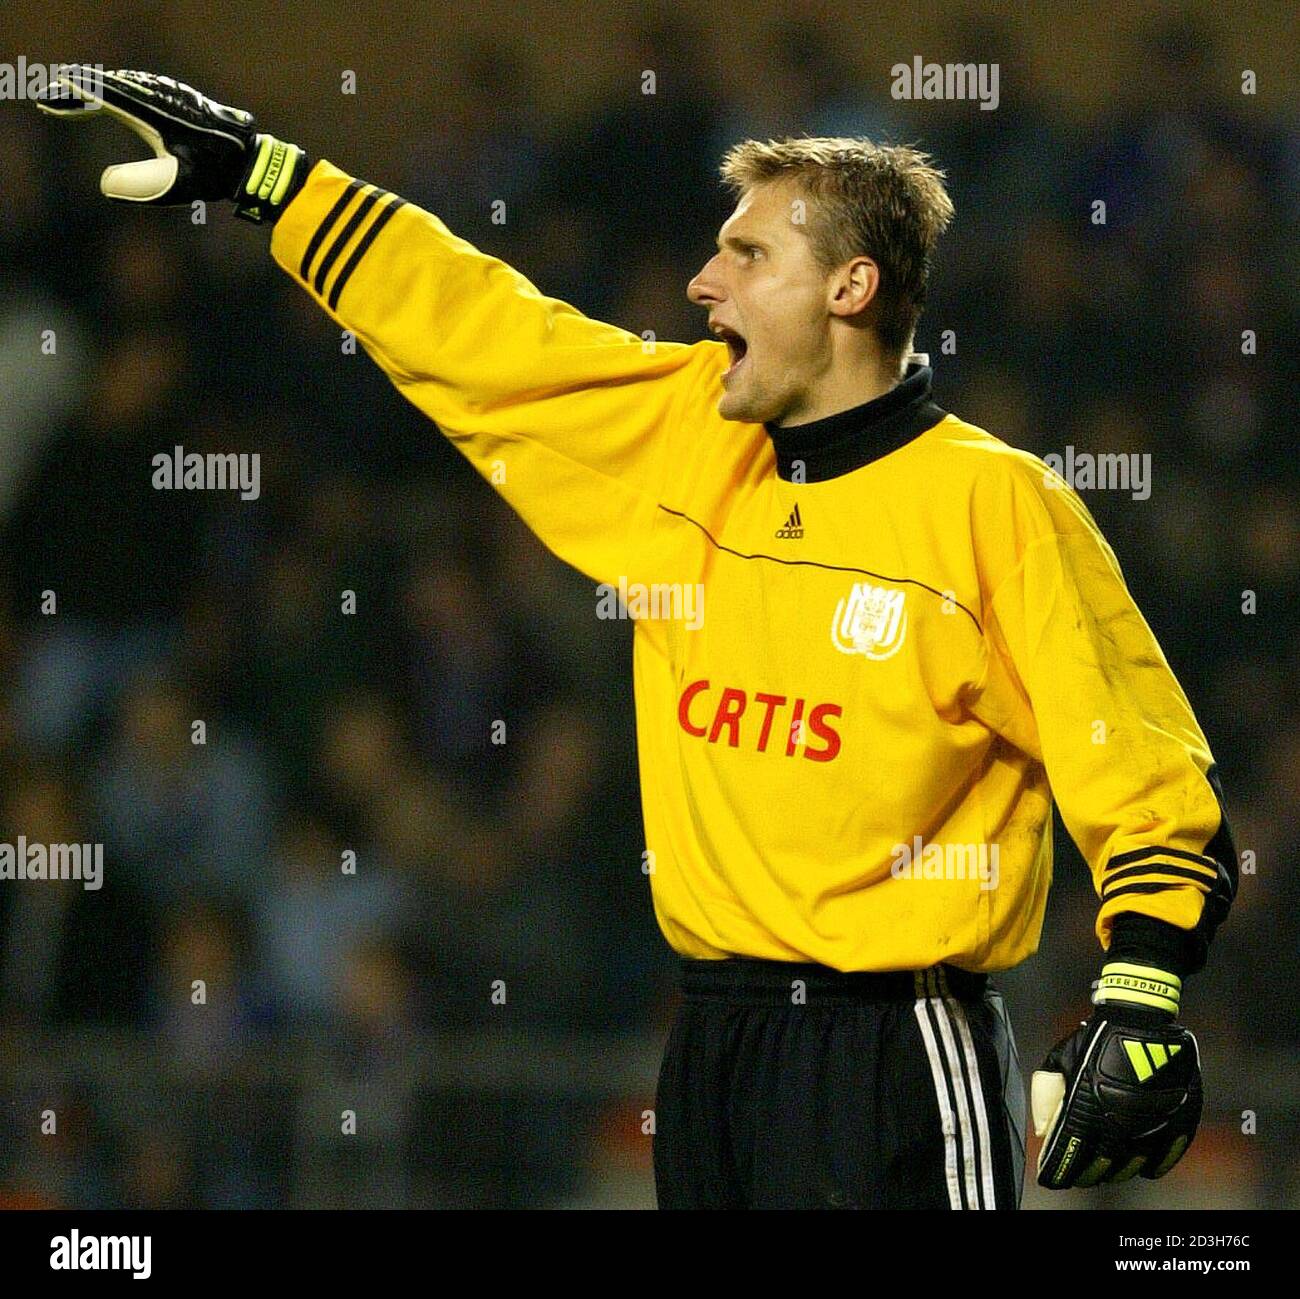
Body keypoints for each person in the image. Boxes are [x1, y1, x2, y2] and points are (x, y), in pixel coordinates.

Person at [38, 67, 1237, 1210]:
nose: (702, 283)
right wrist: (267, 178)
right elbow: (476, 327)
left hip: (898, 1048)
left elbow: (1139, 766)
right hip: (710, 1044)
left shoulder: (998, 507)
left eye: (746, 252)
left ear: (850, 288)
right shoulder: (684, 432)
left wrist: (1139, 994)